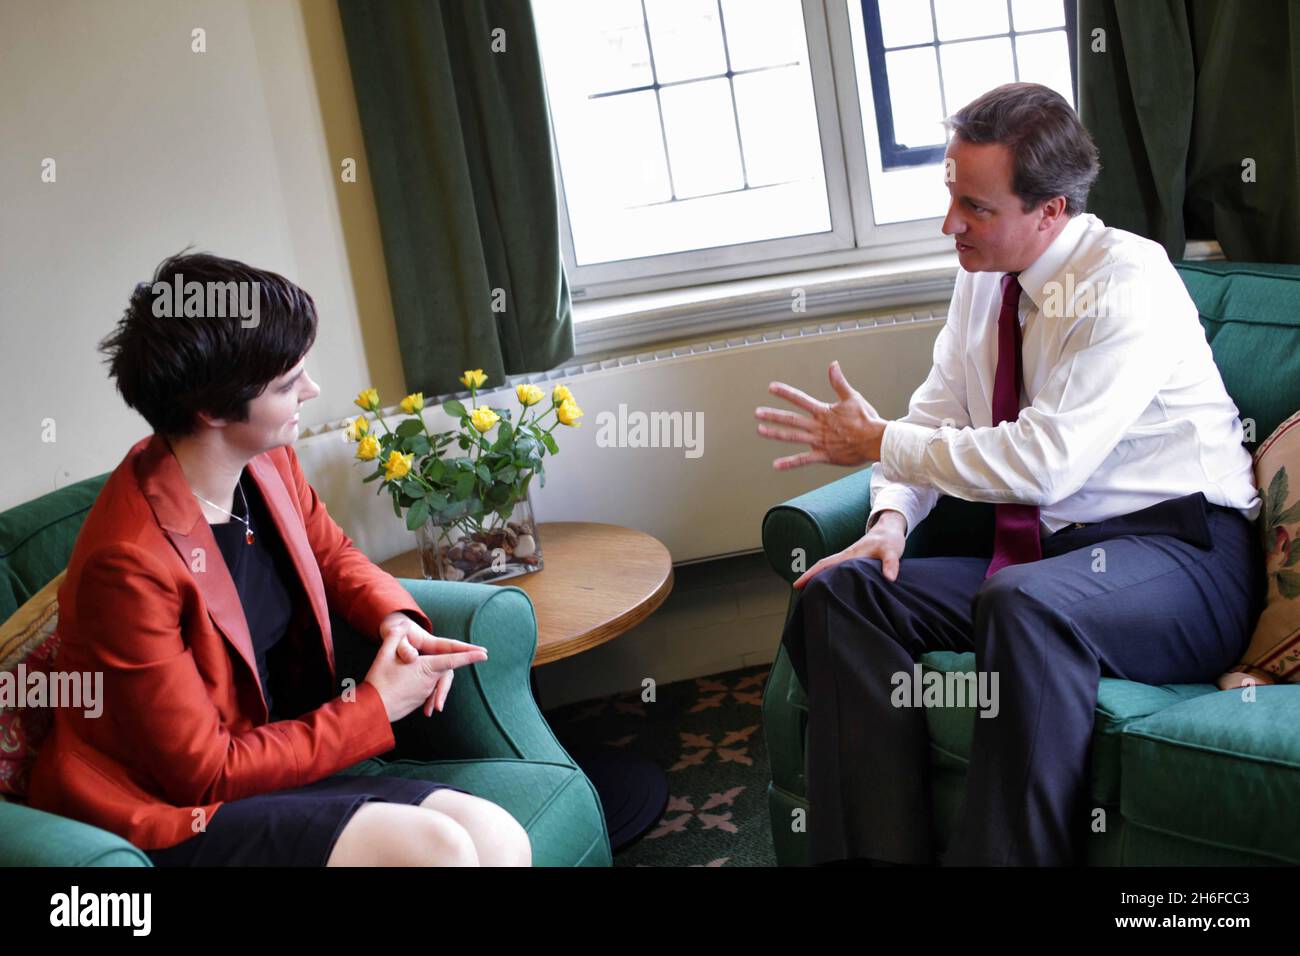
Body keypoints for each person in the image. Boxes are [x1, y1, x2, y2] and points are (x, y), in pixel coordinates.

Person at [754, 82, 1269, 866]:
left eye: (977, 208)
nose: (949, 224)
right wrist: (889, 521)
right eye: (951, 196)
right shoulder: (979, 282)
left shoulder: (1127, 281)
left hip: (1185, 559)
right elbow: (934, 414)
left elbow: (1044, 464)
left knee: (1021, 601)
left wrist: (880, 441)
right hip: (1059, 568)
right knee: (842, 594)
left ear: (1051, 210)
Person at [27, 251, 531, 866]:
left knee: (499, 835)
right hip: (178, 808)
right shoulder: (127, 565)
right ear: (212, 411)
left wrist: (394, 620)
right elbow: (204, 774)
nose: (311, 390)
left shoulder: (266, 459)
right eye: (289, 383)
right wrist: (373, 706)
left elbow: (333, 554)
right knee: (439, 848)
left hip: (275, 758)